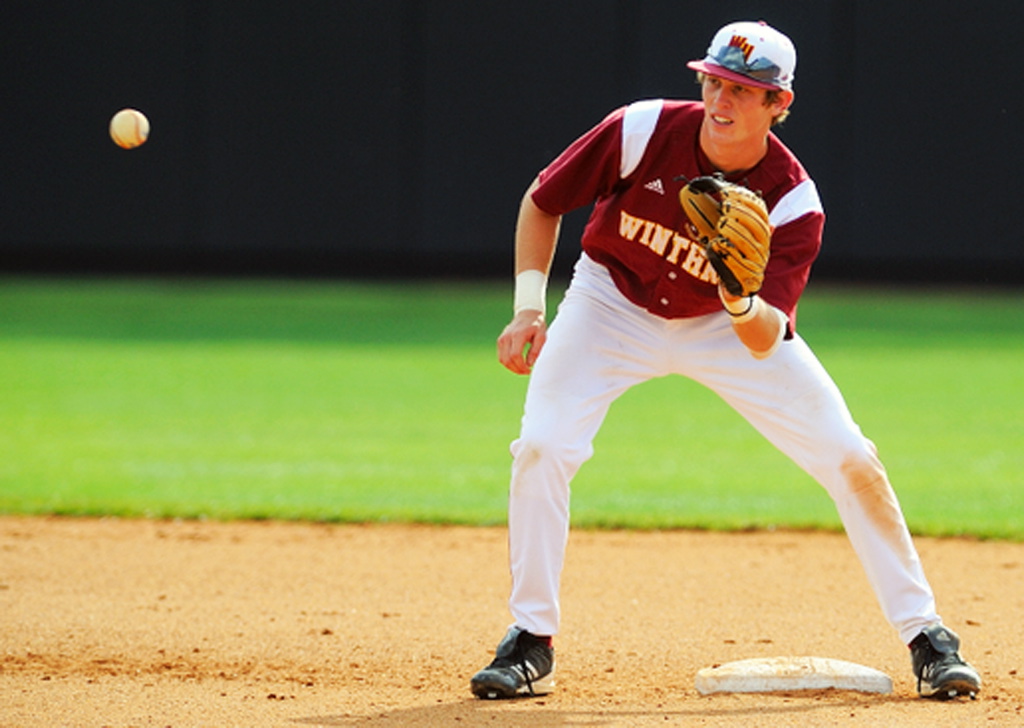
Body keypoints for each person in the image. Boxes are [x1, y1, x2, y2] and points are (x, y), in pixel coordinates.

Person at [470, 20, 981, 701]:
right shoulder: (642, 129)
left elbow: (766, 338)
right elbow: (543, 201)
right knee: (541, 446)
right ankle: (531, 641)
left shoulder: (794, 200)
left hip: (725, 324)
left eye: (745, 89)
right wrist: (529, 307)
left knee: (851, 456)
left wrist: (740, 300)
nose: (723, 98)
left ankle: (927, 637)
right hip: (611, 304)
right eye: (715, 80)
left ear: (779, 105)